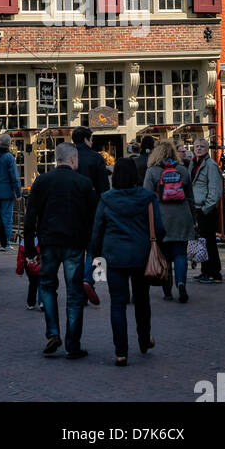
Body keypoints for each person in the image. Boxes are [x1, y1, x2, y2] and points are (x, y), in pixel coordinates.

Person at [23, 142, 97, 359]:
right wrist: (93, 244)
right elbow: (93, 217)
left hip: (49, 242)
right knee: (74, 293)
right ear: (73, 159)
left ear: (57, 159)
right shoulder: (83, 183)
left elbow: (30, 217)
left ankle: (52, 332)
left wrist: (29, 248)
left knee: (46, 286)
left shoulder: (42, 181)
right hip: (75, 242)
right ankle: (73, 344)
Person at [91, 156, 165, 367]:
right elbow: (159, 228)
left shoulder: (106, 198)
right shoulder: (148, 197)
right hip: (141, 255)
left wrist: (97, 255)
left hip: (114, 256)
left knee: (117, 303)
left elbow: (97, 230)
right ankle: (144, 338)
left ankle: (121, 351)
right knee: (142, 300)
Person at [143, 140, 196, 303]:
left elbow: (146, 196)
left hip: (161, 218)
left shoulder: (152, 171)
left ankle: (167, 291)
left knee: (164, 256)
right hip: (182, 217)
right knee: (180, 254)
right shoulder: (183, 170)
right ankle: (181, 284)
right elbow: (190, 197)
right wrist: (193, 219)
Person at [71, 127, 109, 306]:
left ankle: (79, 290)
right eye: (91, 139)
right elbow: (104, 189)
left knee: (77, 251)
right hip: (94, 211)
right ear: (87, 139)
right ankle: (89, 279)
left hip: (74, 211)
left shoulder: (69, 158)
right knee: (94, 250)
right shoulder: (96, 158)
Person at [191, 139, 223, 284]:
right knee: (202, 243)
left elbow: (216, 191)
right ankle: (205, 272)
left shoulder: (210, 165)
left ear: (207, 149)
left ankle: (215, 273)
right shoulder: (194, 163)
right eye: (196, 146)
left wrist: (206, 209)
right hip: (197, 209)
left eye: (202, 146)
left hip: (206, 210)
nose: (198, 149)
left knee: (209, 242)